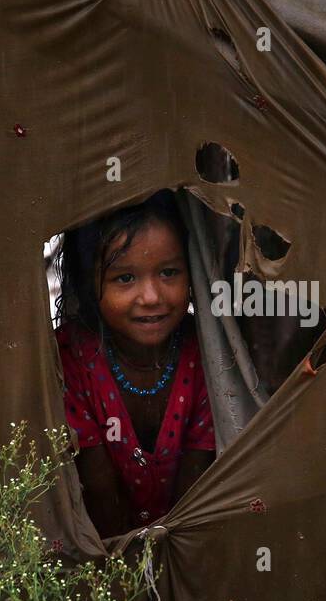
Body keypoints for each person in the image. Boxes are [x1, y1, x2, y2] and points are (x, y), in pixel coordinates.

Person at [52, 191, 215, 539]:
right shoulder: (72, 358)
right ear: (87, 281)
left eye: (169, 272)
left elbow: (197, 486)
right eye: (125, 278)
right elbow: (98, 492)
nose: (152, 297)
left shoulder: (204, 353)